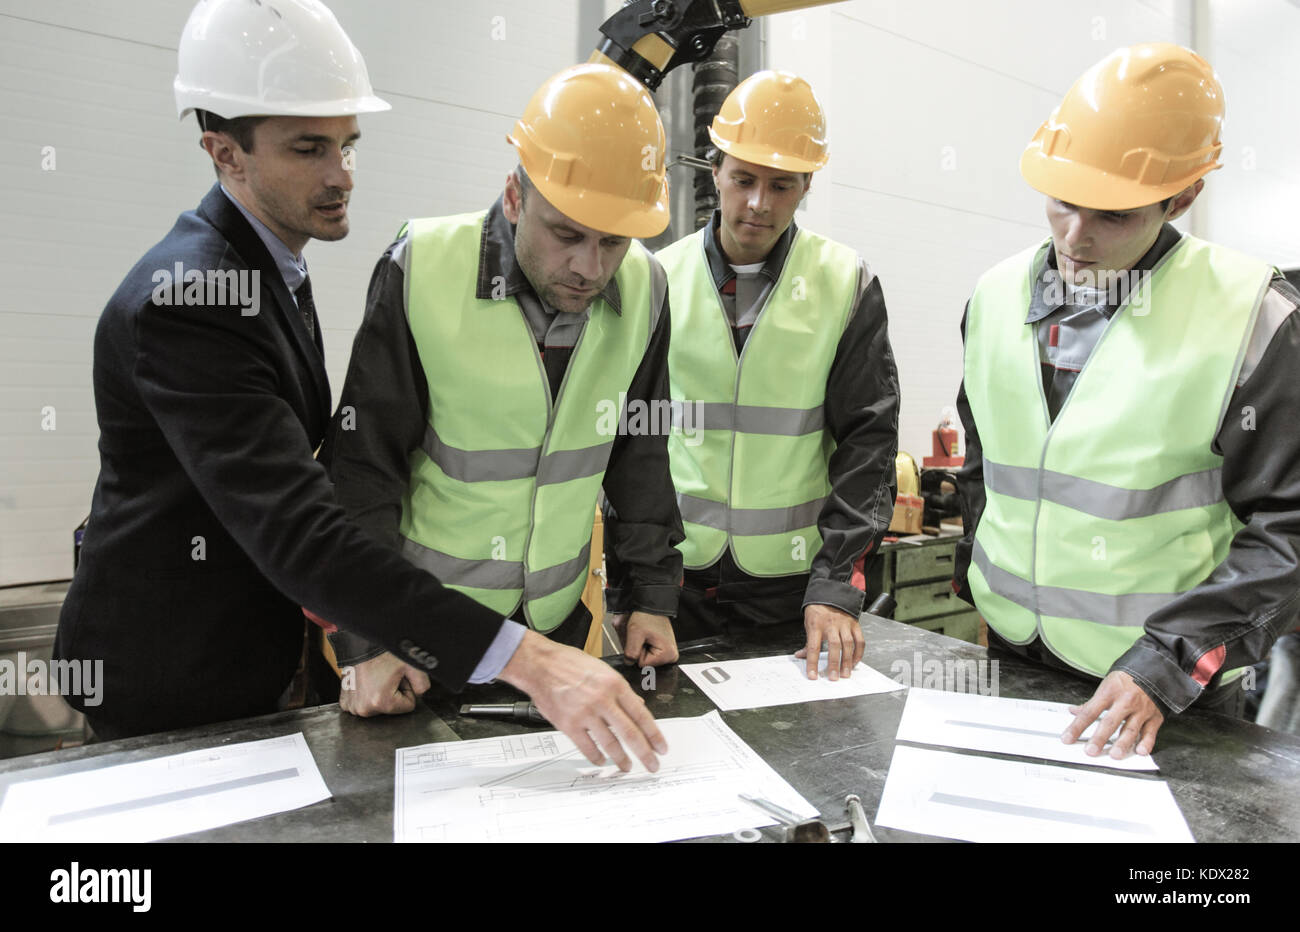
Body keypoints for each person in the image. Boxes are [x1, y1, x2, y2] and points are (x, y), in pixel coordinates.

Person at [53, 0, 666, 774]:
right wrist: (530, 661)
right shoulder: (192, 299)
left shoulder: (269, 270)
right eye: (310, 149)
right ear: (224, 152)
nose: (342, 175)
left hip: (254, 662)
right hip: (171, 683)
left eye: (348, 145)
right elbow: (303, 532)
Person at [953, 42, 1300, 760]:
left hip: (1166, 692)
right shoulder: (993, 297)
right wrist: (985, 585)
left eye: (1111, 216)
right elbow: (987, 470)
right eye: (1062, 204)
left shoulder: (1251, 317)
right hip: (1016, 659)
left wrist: (1171, 660)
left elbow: (1289, 528)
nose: (1075, 238)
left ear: (1183, 197)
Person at [319, 62, 685, 715]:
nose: (588, 267)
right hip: (426, 647)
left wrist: (650, 596)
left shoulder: (648, 290)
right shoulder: (423, 268)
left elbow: (642, 461)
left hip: (558, 637)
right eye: (566, 233)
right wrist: (367, 640)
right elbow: (363, 471)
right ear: (515, 197)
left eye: (613, 241)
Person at [606, 70, 899, 681]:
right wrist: (641, 585)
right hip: (675, 585)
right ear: (715, 171)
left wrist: (836, 581)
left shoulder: (846, 285)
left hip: (794, 592)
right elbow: (631, 447)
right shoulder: (655, 278)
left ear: (806, 186)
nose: (759, 203)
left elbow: (867, 443)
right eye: (743, 179)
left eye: (781, 185)